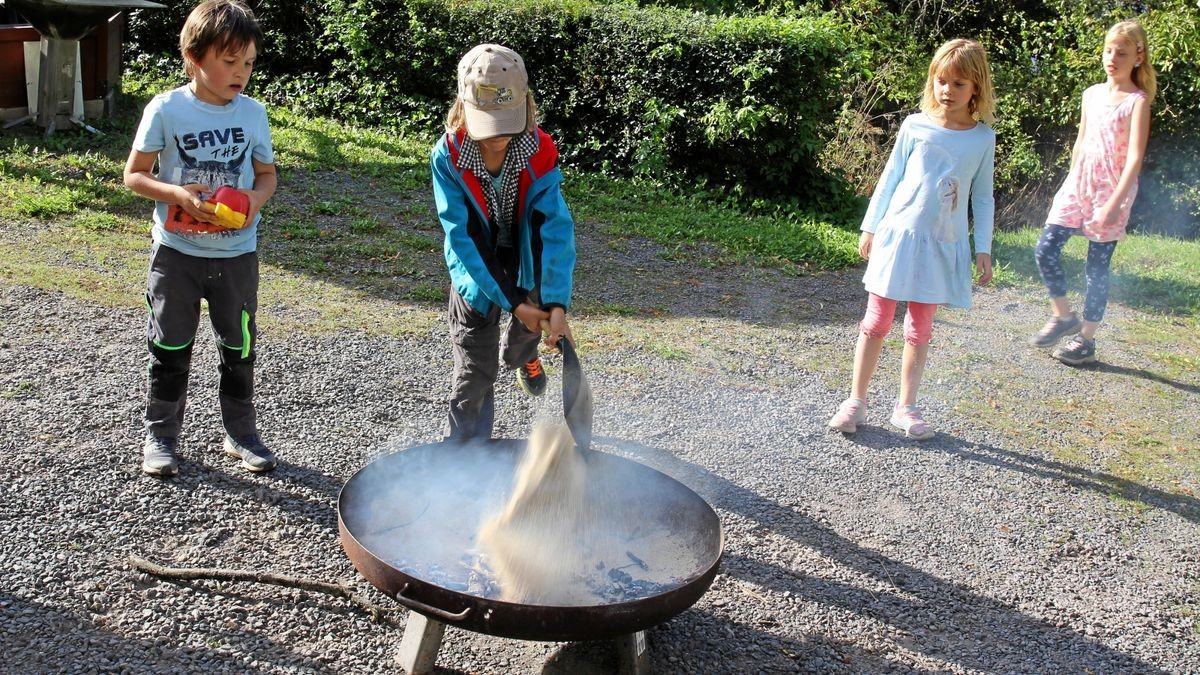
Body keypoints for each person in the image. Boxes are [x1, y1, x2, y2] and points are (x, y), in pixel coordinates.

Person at [123, 0, 278, 476]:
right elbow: (134, 175)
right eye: (229, 61)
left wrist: (254, 200)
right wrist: (175, 194)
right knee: (170, 344)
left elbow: (267, 175)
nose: (241, 72)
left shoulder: (253, 114)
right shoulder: (166, 110)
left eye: (248, 62)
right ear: (194, 58)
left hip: (237, 256)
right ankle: (162, 436)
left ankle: (240, 433)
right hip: (177, 255)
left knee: (239, 345)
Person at [828, 38, 996, 440]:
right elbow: (889, 179)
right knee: (876, 321)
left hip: (941, 245)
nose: (948, 90)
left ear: (976, 88)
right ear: (932, 81)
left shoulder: (981, 138)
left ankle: (905, 407)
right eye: (942, 80)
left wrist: (983, 248)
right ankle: (856, 401)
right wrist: (871, 225)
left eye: (959, 84)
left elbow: (983, 196)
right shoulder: (914, 126)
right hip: (897, 237)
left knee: (919, 329)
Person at [431, 43, 577, 441]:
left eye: (506, 124)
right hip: (476, 272)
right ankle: (465, 453)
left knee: (527, 333)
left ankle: (525, 356)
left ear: (526, 106)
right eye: (485, 124)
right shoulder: (448, 157)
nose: (496, 138)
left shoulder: (540, 152)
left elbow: (555, 230)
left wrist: (556, 303)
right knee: (476, 370)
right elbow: (463, 237)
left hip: (526, 264)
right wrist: (512, 302)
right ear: (462, 107)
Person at [1029, 20, 1155, 365]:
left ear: (1138, 57)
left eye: (1122, 52)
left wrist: (1114, 205)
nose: (1112, 57)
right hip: (1078, 184)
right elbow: (1081, 142)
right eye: (1109, 50)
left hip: (1111, 191)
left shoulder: (1137, 102)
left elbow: (1135, 160)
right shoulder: (1090, 95)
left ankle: (1085, 339)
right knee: (1046, 248)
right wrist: (1069, 185)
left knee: (1096, 269)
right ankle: (1063, 315)